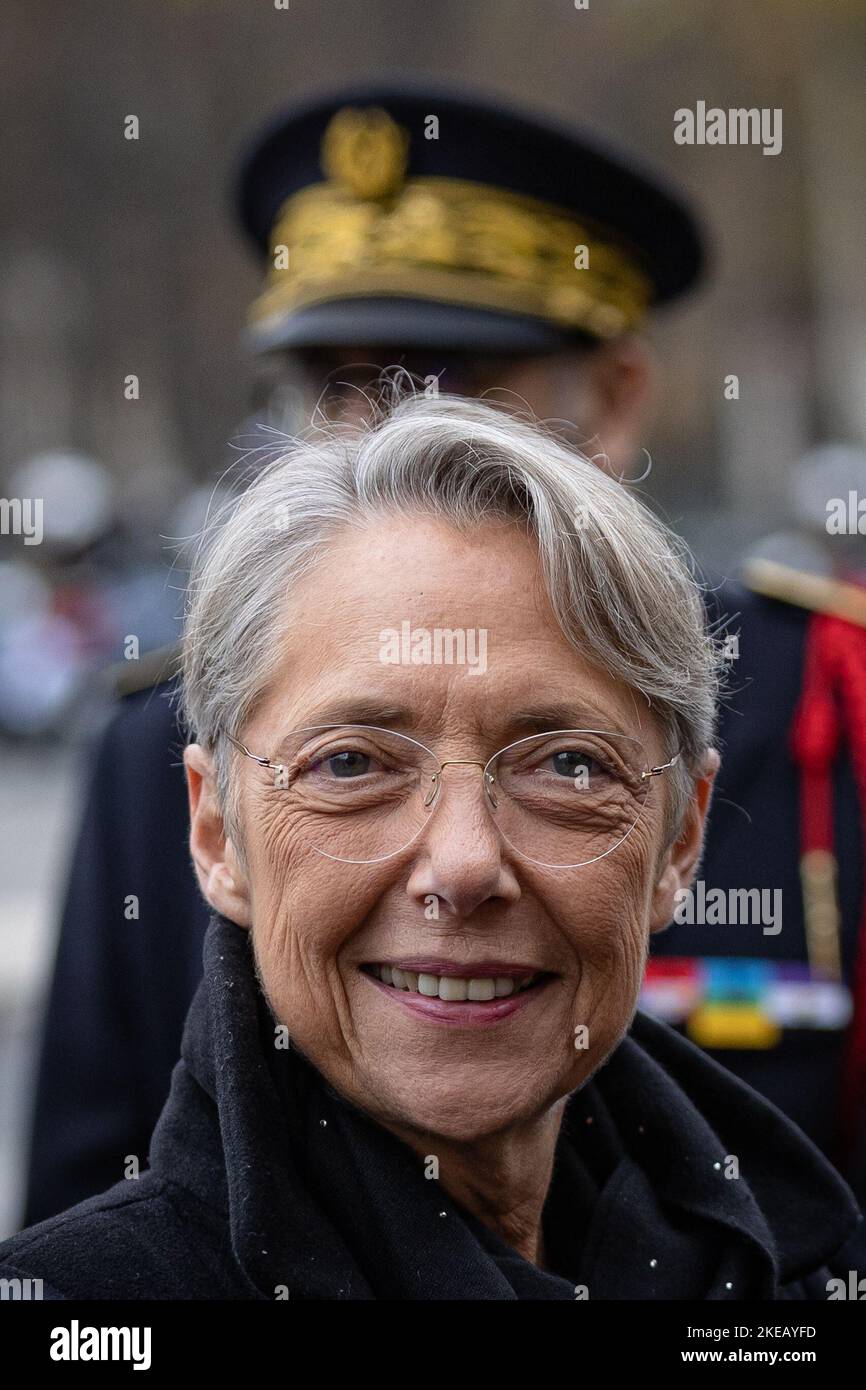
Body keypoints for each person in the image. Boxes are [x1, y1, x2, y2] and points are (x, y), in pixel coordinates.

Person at [22, 82, 705, 1225]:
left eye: (569, 765)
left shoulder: (825, 698)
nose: (396, 434)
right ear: (213, 821)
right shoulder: (166, 734)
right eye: (342, 388)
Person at [2, 395, 858, 1300]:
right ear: (216, 831)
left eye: (568, 766)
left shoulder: (793, 1277)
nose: (462, 863)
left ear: (680, 839)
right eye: (351, 764)